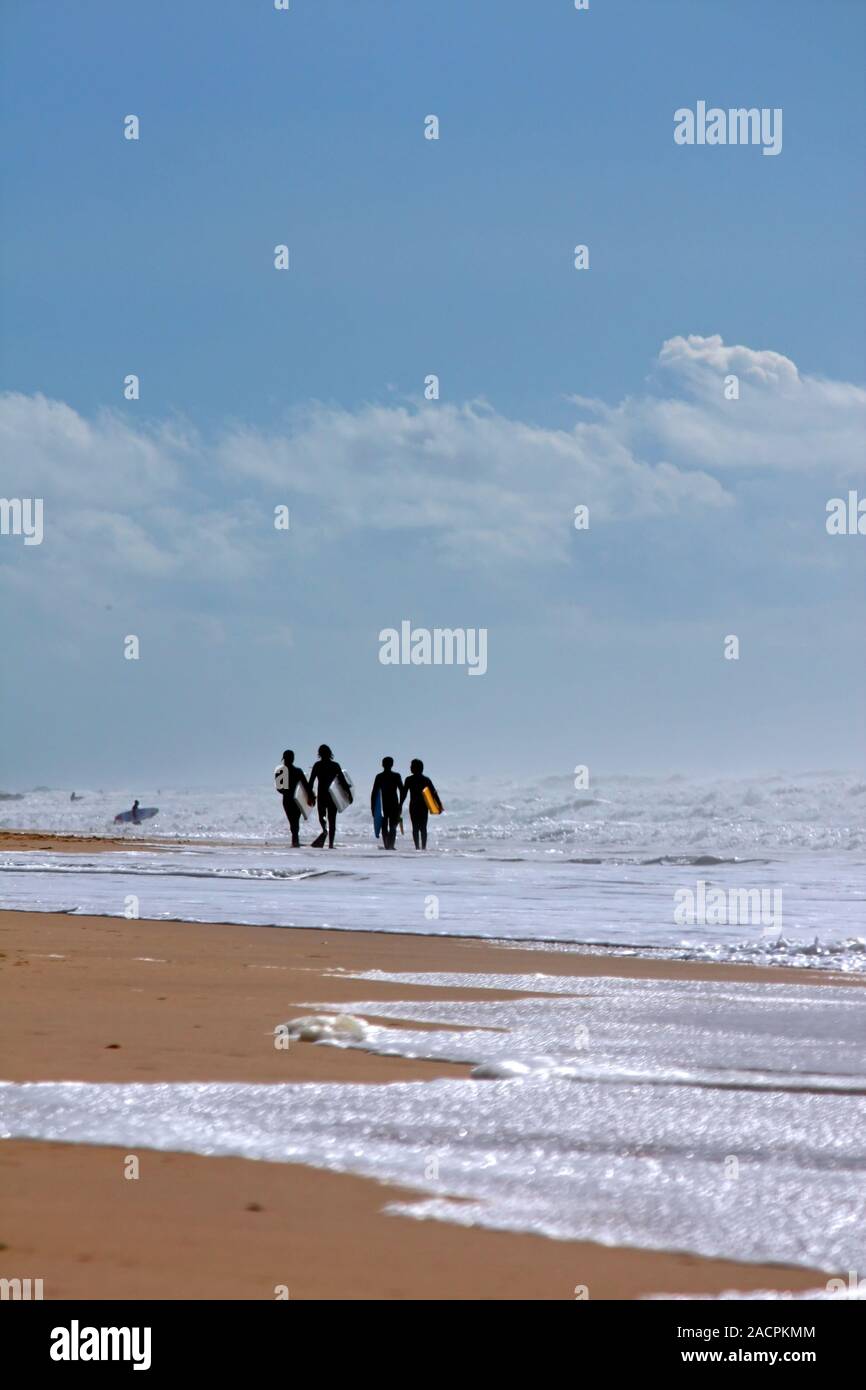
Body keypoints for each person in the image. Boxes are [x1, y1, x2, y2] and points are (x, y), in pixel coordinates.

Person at [308, 744, 348, 848]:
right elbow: (342, 781)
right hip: (332, 796)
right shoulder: (335, 765)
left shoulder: (317, 765)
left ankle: (325, 830)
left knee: (322, 816)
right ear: (330, 753)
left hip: (322, 794)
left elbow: (311, 782)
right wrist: (348, 793)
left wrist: (310, 794)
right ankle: (331, 844)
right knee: (332, 819)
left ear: (319, 754)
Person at [274, 750, 313, 848]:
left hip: (287, 799)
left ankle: (295, 840)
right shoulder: (297, 771)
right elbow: (306, 786)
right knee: (295, 820)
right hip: (297, 799)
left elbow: (279, 788)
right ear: (292, 758)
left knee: (292, 820)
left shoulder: (280, 771)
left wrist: (287, 791)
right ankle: (295, 840)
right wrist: (311, 796)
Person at [400, 759, 440, 850]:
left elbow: (404, 794)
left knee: (415, 827)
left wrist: (400, 804)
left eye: (412, 766)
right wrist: (438, 804)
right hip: (423, 806)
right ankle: (423, 847)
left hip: (414, 806)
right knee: (423, 827)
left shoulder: (409, 779)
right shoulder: (426, 779)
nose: (410, 768)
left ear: (416, 768)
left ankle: (417, 847)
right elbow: (434, 793)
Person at [371, 757, 404, 850]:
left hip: (383, 804)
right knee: (393, 825)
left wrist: (373, 807)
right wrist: (400, 804)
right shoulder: (396, 776)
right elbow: (402, 790)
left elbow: (374, 793)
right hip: (394, 803)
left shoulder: (379, 777)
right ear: (392, 764)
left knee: (384, 826)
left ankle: (386, 845)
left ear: (382, 764)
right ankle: (391, 846)